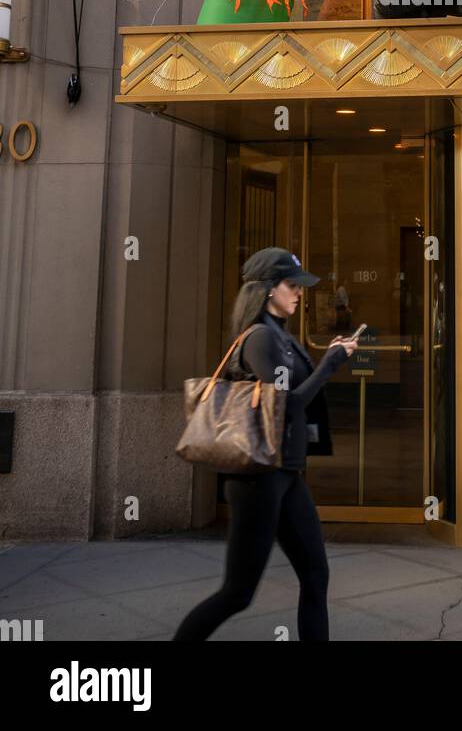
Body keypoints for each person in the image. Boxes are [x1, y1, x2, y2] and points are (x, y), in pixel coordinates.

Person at [173, 247, 357, 642]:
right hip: (257, 479)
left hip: (286, 473)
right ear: (270, 289)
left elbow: (293, 392)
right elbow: (287, 405)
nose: (299, 293)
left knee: (315, 573)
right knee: (237, 594)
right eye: (292, 285)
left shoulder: (282, 337)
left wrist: (328, 357)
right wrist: (330, 365)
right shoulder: (260, 338)